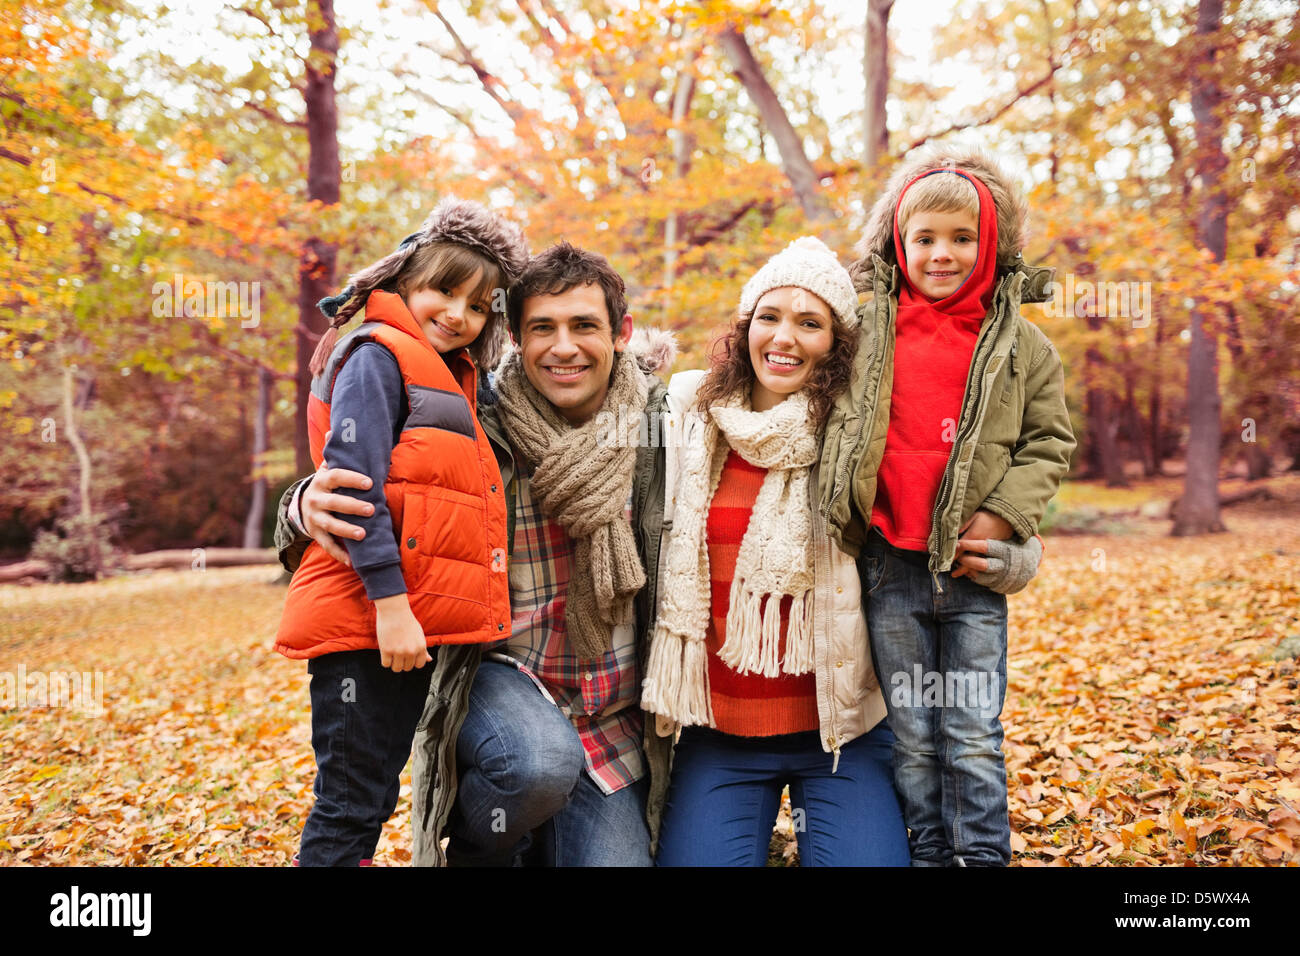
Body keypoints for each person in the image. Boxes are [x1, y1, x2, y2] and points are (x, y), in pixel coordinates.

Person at [276, 242, 678, 866]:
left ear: (621, 332)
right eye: (542, 328)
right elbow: (380, 481)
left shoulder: (666, 428)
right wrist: (301, 505)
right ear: (514, 337)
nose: (563, 347)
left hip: (612, 725)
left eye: (583, 326)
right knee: (535, 765)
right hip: (498, 688)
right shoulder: (477, 418)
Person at [816, 147, 1076, 866]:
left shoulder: (1023, 347)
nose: (942, 253)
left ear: (992, 245)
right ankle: (929, 853)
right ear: (899, 242)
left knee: (969, 733)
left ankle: (982, 856)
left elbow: (1049, 441)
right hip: (888, 566)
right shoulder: (865, 333)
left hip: (972, 570)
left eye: (962, 239)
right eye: (925, 237)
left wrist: (1005, 515)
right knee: (911, 733)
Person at [274, 198, 529, 866]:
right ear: (404, 284)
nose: (459, 315)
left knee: (370, 795)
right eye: (445, 291)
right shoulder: (377, 356)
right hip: (368, 623)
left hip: (398, 628)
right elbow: (354, 491)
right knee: (351, 802)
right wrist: (391, 607)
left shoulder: (450, 376)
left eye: (478, 306)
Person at [642, 237, 911, 866]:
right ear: (745, 328)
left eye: (809, 323)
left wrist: (1010, 533)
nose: (784, 337)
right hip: (719, 732)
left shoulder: (859, 439)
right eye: (769, 316)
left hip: (841, 733)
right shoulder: (689, 417)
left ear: (837, 344)